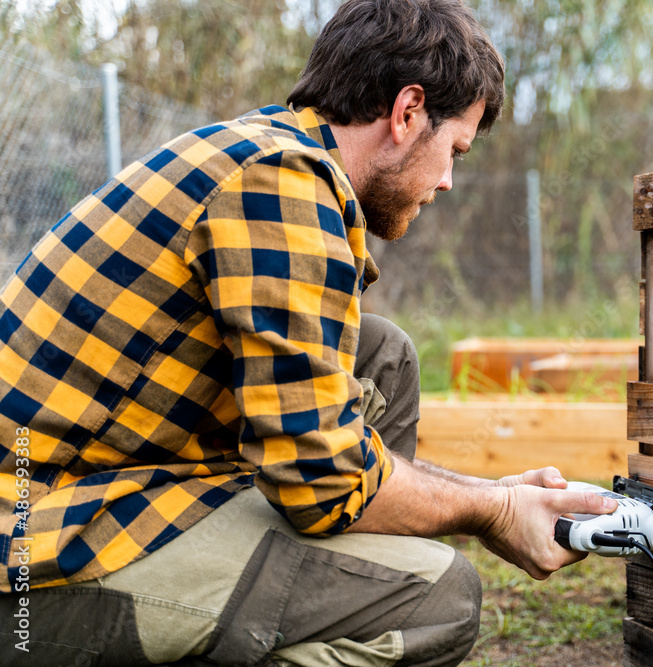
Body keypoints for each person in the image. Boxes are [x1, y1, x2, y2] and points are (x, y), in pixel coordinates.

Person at [0, 0, 617, 665]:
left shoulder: (266, 152)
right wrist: (492, 509)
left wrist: (499, 495)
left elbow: (323, 430)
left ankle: (333, 583)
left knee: (380, 354)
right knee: (434, 598)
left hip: (112, 484)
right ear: (408, 114)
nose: (446, 180)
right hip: (36, 560)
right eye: (453, 150)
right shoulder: (281, 181)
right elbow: (321, 474)